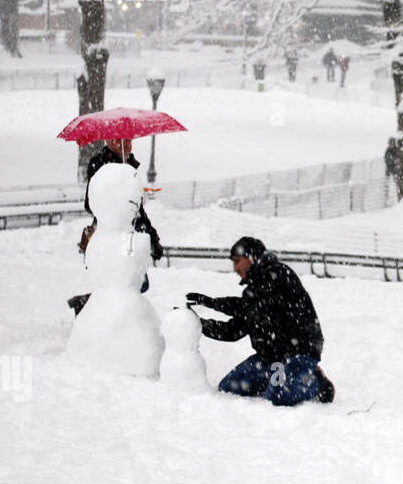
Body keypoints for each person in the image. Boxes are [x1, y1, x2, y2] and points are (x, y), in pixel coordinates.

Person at [186, 237, 334, 406]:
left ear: (251, 257)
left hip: (298, 353)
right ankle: (278, 380)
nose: (235, 268)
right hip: (271, 359)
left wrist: (212, 303)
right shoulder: (251, 293)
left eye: (237, 261)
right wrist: (197, 323)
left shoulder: (279, 274)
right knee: (229, 387)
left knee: (278, 397)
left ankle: (316, 382)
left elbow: (255, 306)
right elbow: (233, 331)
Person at [68, 138, 163, 314]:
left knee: (134, 282)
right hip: (109, 233)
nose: (126, 145)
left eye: (129, 141)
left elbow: (137, 209)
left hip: (128, 232)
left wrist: (152, 237)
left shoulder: (130, 166)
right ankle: (98, 313)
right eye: (121, 141)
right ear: (109, 142)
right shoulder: (100, 164)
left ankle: (92, 308)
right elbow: (90, 205)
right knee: (125, 282)